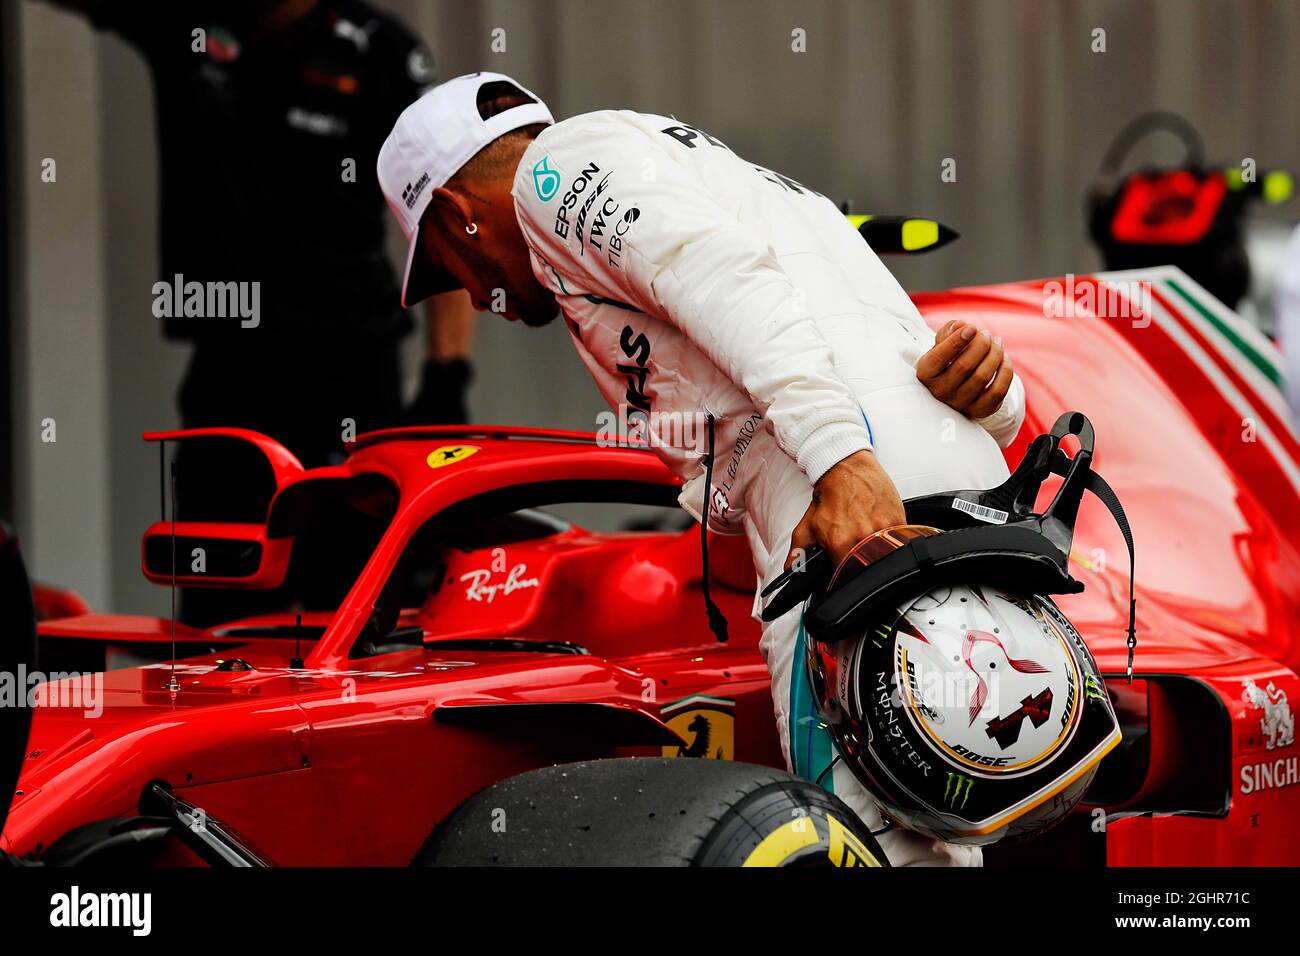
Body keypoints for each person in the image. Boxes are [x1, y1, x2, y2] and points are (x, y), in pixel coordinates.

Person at [378, 72, 1026, 866]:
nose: (476, 300)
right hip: (946, 494)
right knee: (938, 831)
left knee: (870, 842)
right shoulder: (730, 173)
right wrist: (1002, 399)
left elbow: (728, 284)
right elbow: (910, 351)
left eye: (447, 268)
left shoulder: (554, 178)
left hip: (844, 505)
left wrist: (839, 461)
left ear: (456, 214)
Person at [42, 0, 475, 622]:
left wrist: (446, 377)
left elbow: (446, 215)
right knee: (217, 626)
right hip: (231, 381)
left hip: (352, 376)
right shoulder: (185, 18)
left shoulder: (381, 49)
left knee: (356, 624)